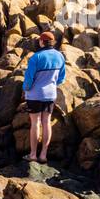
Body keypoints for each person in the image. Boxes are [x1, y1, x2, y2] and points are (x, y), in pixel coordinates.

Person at [22, 30, 66, 163]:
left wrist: (25, 89)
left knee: (35, 123)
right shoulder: (60, 56)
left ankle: (33, 154)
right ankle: (43, 155)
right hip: (50, 95)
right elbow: (61, 78)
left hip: (34, 95)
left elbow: (29, 79)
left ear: (41, 42)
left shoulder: (36, 57)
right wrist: (52, 84)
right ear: (52, 43)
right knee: (47, 123)